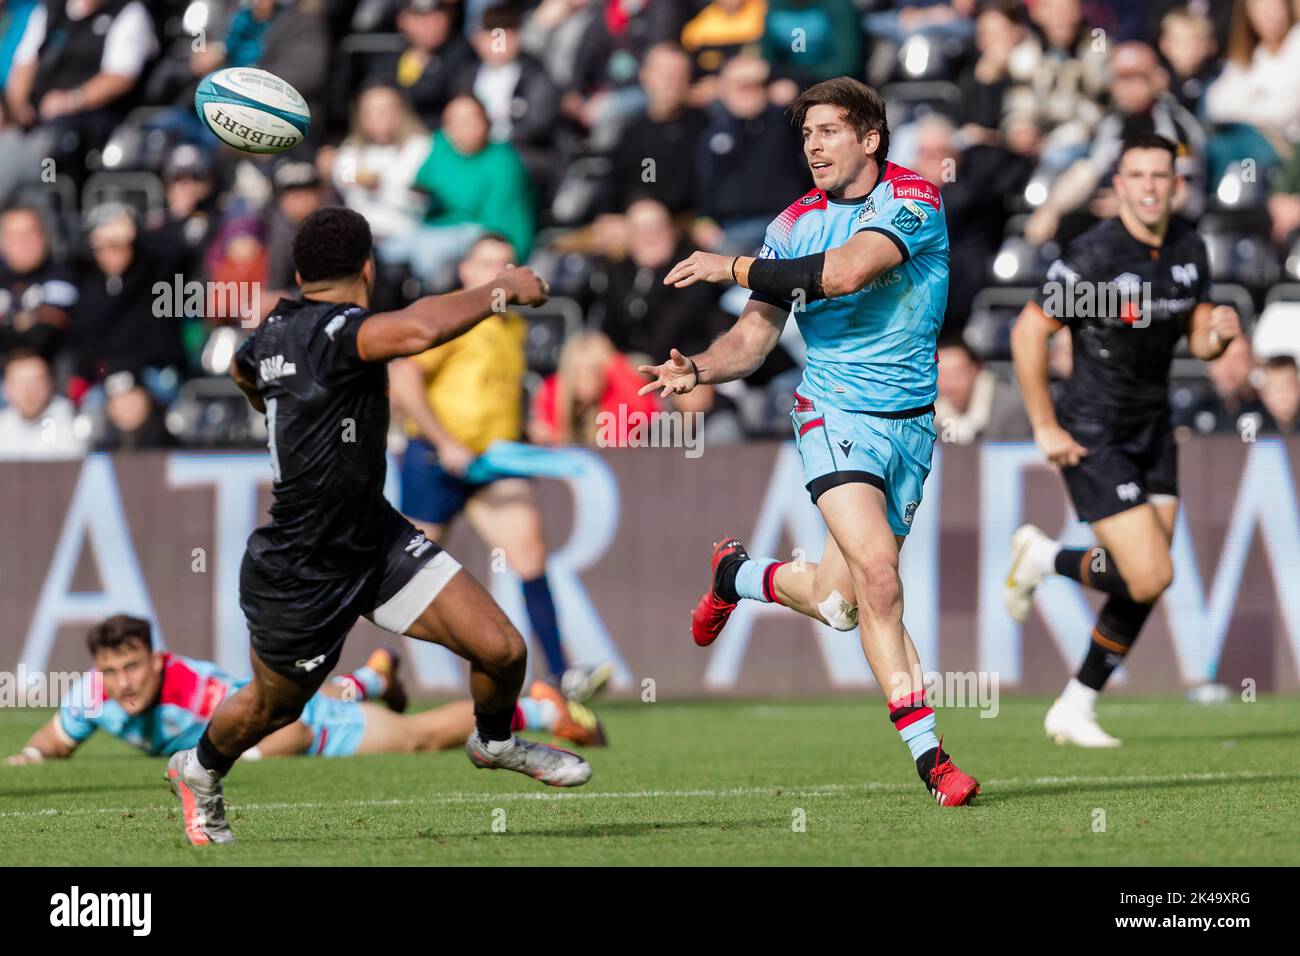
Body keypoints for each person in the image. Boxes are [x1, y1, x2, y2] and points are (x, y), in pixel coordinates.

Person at [163, 205, 587, 847]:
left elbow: (243, 372)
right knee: (274, 707)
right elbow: (416, 331)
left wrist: (276, 402)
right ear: (369, 267)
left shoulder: (273, 330)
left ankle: (493, 741)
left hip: (376, 540)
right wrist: (503, 288)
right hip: (301, 567)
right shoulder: (341, 330)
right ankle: (198, 770)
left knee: (501, 649)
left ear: (302, 271)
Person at [638, 77, 981, 807]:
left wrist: (728, 265)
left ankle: (737, 576)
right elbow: (754, 340)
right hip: (832, 412)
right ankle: (934, 762)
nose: (814, 146)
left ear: (870, 140)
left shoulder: (913, 198)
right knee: (881, 578)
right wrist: (699, 367)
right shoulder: (791, 226)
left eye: (829, 131)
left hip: (911, 424)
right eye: (806, 134)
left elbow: (847, 270)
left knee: (840, 602)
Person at [1006, 134, 1241, 748]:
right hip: (1094, 428)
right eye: (1136, 174)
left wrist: (1219, 334)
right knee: (1151, 571)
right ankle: (1045, 562)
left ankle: (1074, 705)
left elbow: (1199, 339)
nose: (1149, 186)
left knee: (1146, 578)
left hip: (1154, 426)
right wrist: (1044, 425)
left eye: (1160, 174)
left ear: (1176, 183)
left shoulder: (1190, 246)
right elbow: (1028, 334)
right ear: (1119, 184)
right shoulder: (1096, 254)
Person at [390, 233, 612, 698]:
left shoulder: (511, 324)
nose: (497, 272)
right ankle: (372, 668)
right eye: (485, 263)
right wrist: (444, 442)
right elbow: (402, 379)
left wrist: (524, 427)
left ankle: (560, 674)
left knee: (530, 549)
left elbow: (497, 389)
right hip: (434, 461)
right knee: (400, 574)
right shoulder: (451, 315)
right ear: (466, 272)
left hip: (492, 463)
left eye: (504, 264)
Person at [6, 614, 603, 766]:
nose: (123, 683)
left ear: (157, 660)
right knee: (339, 688)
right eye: (111, 672)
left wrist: (220, 763)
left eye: (133, 667)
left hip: (301, 719)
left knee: (418, 739)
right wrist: (31, 755)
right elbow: (56, 738)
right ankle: (373, 675)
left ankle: (538, 707)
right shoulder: (93, 693)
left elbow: (285, 730)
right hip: (301, 698)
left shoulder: (192, 691)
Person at [0, 350, 84, 459]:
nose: (28, 391)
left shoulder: (69, 420)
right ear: (6, 388)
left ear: (50, 384)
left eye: (35, 382)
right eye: (20, 383)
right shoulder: (3, 424)